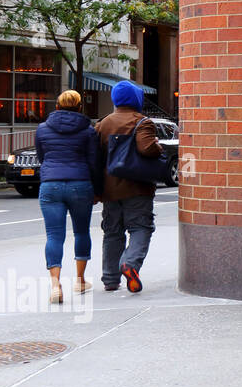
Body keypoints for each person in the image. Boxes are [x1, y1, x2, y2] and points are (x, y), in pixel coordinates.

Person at [94, 80, 163, 294]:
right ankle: (130, 264)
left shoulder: (102, 124)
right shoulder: (142, 122)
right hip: (137, 187)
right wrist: (158, 145)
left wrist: (96, 190)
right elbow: (147, 148)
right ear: (136, 99)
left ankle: (110, 279)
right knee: (140, 227)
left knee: (112, 231)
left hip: (110, 189)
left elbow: (95, 158)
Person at [36, 90, 103, 303]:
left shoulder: (42, 129)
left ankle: (55, 286)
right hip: (80, 184)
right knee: (81, 232)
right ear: (80, 107)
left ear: (57, 106)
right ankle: (80, 280)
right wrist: (98, 190)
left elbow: (41, 156)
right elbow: (94, 162)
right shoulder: (88, 131)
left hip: (51, 185)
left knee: (54, 235)